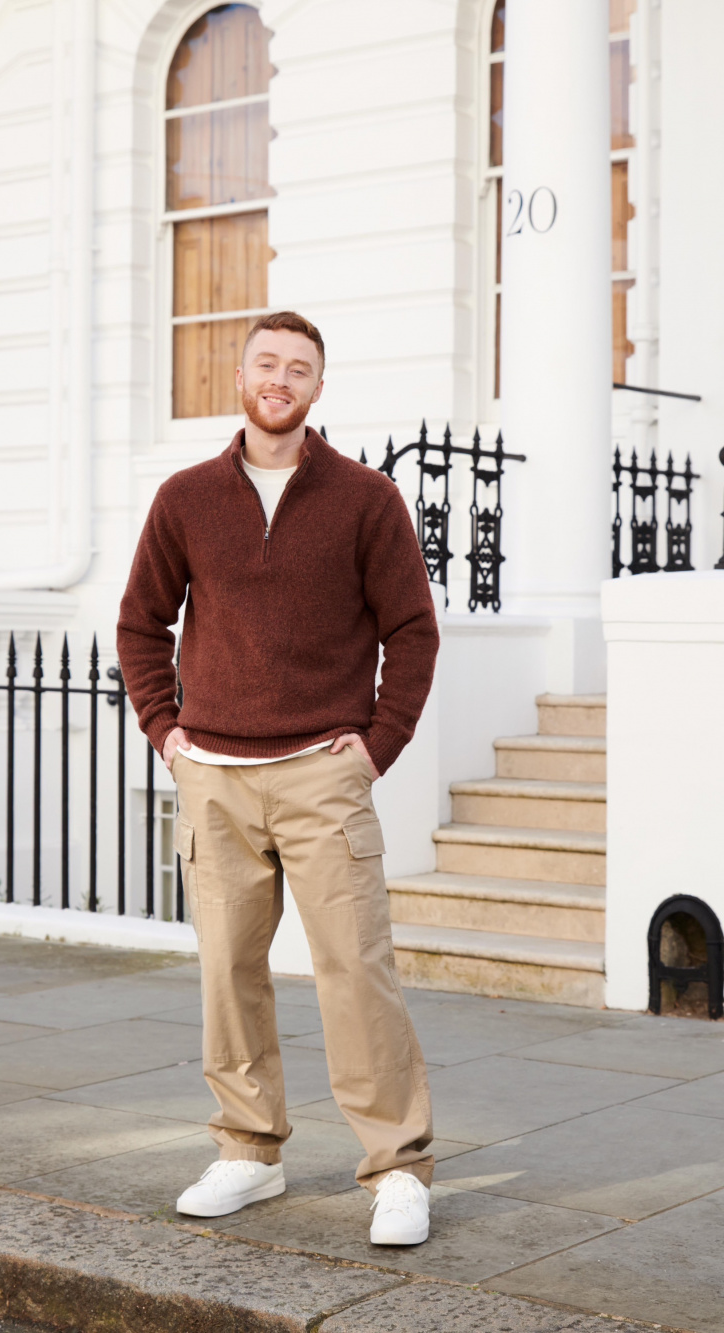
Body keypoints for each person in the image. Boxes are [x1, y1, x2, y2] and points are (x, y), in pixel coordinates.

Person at [117, 311, 440, 1246]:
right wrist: (165, 731)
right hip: (213, 774)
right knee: (228, 971)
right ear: (241, 373)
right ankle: (249, 1151)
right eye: (267, 363)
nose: (280, 379)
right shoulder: (184, 498)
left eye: (299, 368)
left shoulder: (367, 498)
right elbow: (141, 624)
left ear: (317, 388)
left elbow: (411, 629)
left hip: (321, 774)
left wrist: (379, 742)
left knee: (354, 969)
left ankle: (397, 1166)